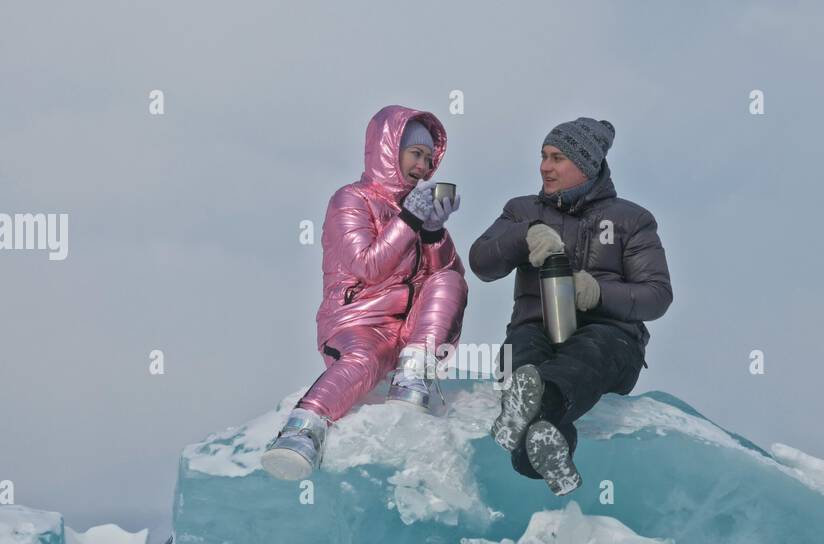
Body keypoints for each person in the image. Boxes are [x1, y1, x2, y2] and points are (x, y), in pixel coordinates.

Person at [261, 105, 467, 481]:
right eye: (415, 154)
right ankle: (301, 432)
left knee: (451, 280)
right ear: (390, 149)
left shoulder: (417, 210)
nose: (422, 166)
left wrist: (434, 231)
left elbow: (445, 279)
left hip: (407, 333)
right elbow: (368, 265)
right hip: (357, 321)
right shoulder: (351, 200)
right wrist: (408, 222)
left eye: (428, 158)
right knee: (362, 360)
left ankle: (413, 377)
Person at [469, 117, 672, 495]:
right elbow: (481, 263)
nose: (545, 166)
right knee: (523, 356)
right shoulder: (521, 210)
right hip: (535, 326)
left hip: (610, 340)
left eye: (558, 157)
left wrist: (599, 293)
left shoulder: (631, 220)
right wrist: (522, 238)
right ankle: (543, 451)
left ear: (587, 164)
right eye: (543, 156)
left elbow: (657, 295)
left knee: (587, 354)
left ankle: (532, 404)